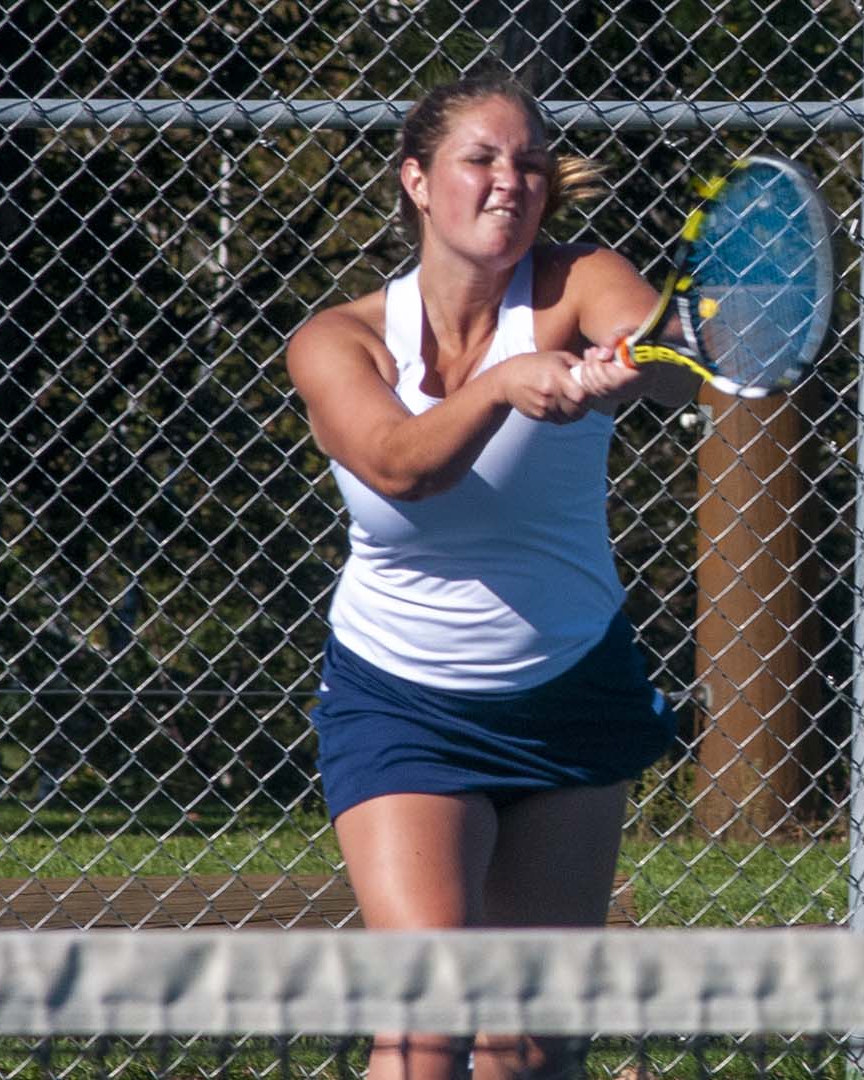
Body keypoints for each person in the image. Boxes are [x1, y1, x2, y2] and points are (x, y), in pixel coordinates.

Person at [285, 70, 701, 1080]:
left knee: (532, 1046)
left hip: (569, 689)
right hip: (402, 702)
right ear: (419, 182)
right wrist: (508, 387)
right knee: (428, 1029)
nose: (509, 181)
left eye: (528, 163)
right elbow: (400, 466)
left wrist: (633, 362)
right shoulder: (335, 341)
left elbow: (670, 347)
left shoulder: (579, 281)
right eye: (480, 160)